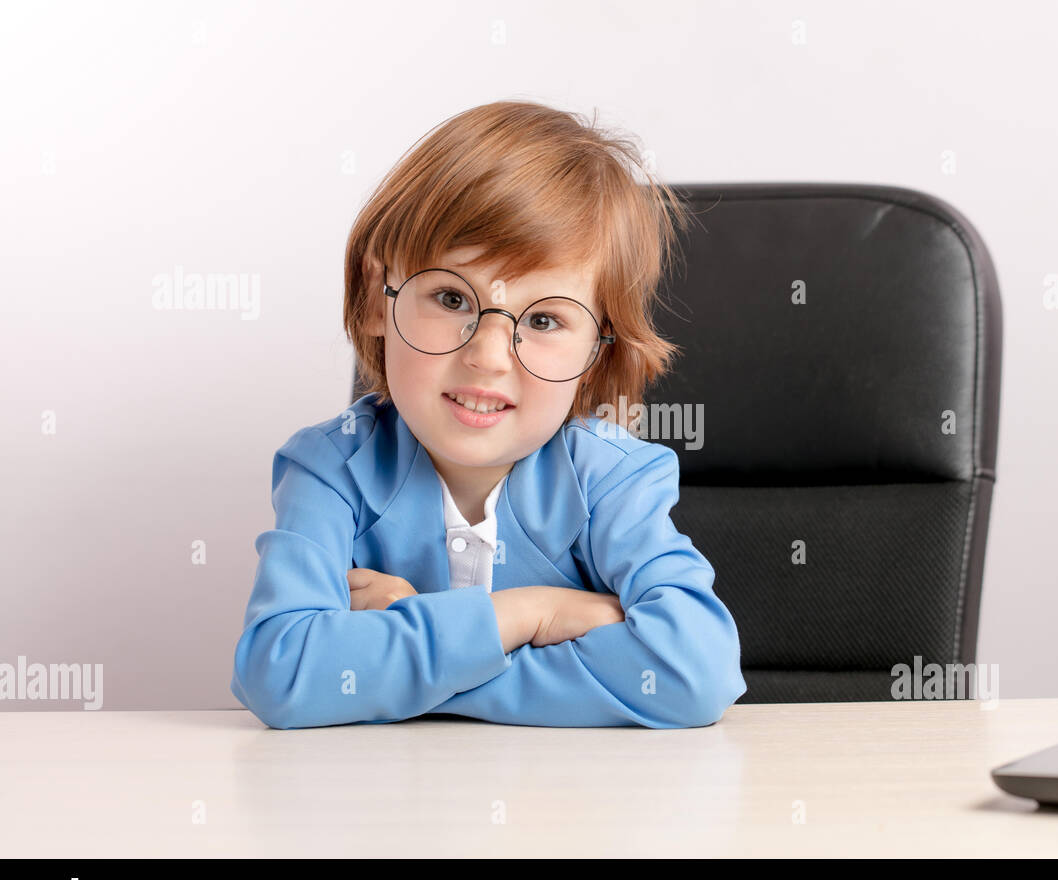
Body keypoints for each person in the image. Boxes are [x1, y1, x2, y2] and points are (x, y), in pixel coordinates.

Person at [230, 100, 746, 729]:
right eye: (451, 297)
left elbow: (696, 673)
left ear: (597, 346)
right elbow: (281, 674)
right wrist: (531, 614)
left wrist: (404, 654)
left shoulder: (612, 479)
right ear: (376, 299)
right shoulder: (330, 467)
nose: (488, 356)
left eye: (544, 320)